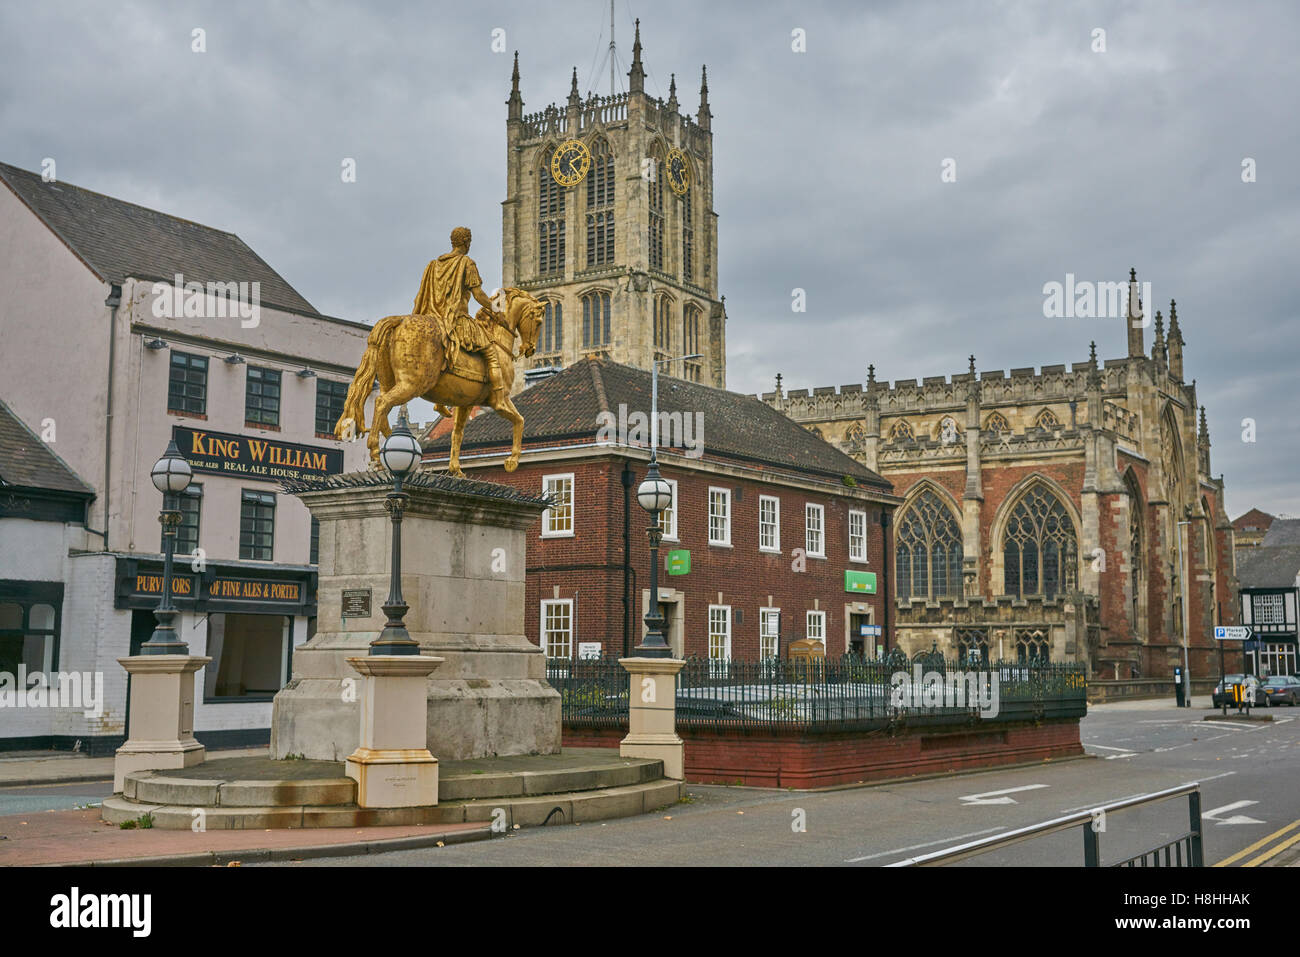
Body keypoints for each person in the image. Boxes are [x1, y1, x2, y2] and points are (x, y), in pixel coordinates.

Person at [411, 226, 507, 401]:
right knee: (491, 353)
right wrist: (496, 310)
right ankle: (499, 395)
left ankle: (441, 400)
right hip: (456, 320)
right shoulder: (466, 263)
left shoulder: (434, 265)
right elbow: (478, 295)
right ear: (466, 242)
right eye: (468, 241)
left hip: (432, 317)